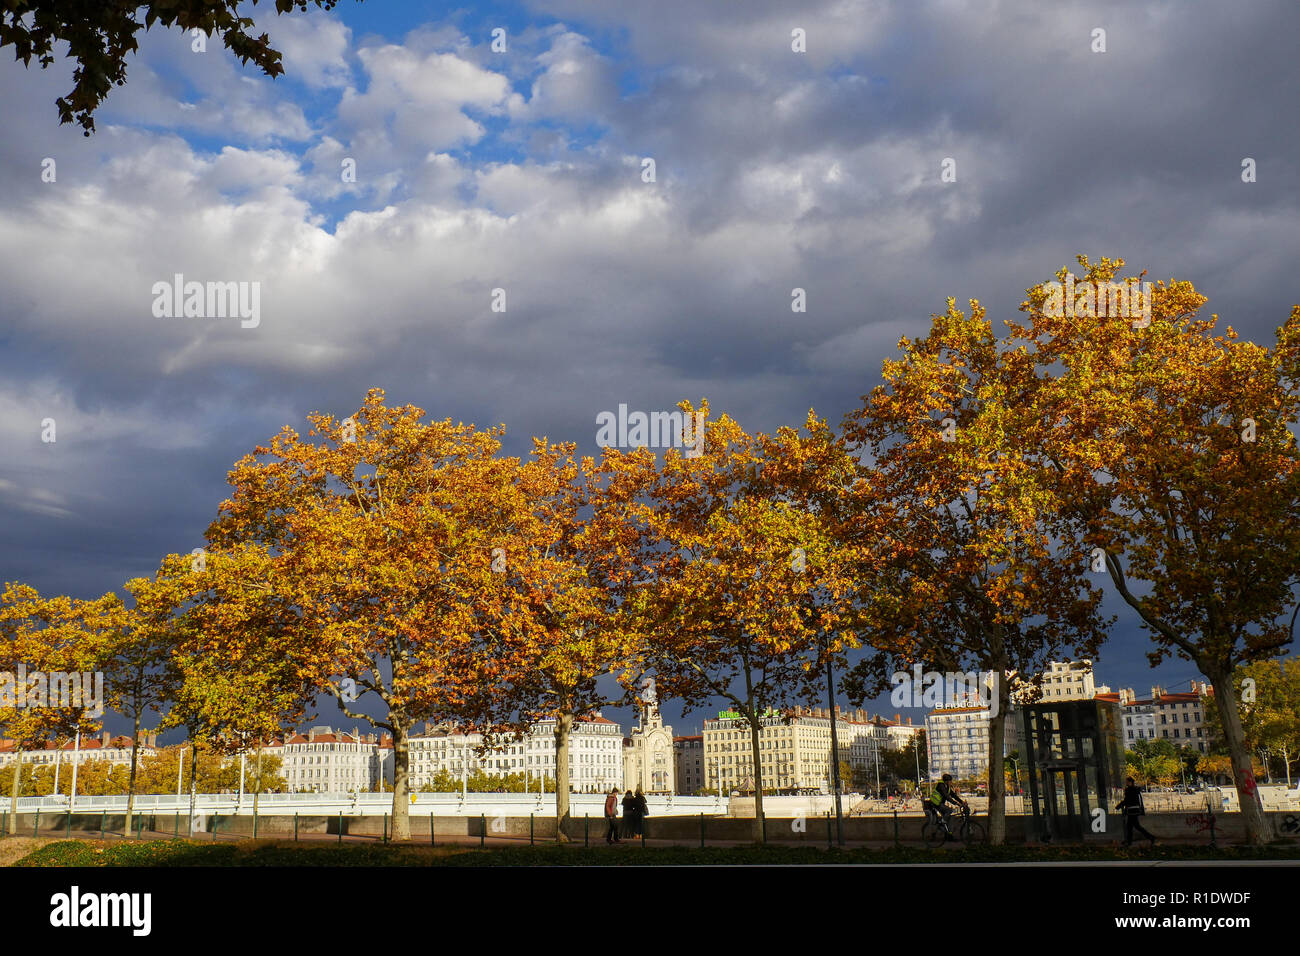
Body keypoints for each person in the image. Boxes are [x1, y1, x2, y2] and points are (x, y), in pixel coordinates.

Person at [1117, 777, 1157, 847]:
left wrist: (1119, 806)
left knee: (1132, 827)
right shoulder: (1135, 790)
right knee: (1132, 826)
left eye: (1126, 781)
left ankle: (1150, 838)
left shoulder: (1130, 790)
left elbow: (1127, 800)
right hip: (1134, 810)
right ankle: (1129, 841)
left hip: (1131, 811)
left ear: (1130, 782)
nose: (1126, 783)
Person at [926, 773, 969, 839]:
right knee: (949, 810)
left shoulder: (947, 787)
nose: (951, 782)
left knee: (950, 818)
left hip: (940, 803)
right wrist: (956, 803)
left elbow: (954, 795)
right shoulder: (941, 786)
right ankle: (943, 820)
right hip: (935, 804)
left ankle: (949, 835)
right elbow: (946, 797)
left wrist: (962, 802)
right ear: (946, 781)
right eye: (950, 781)